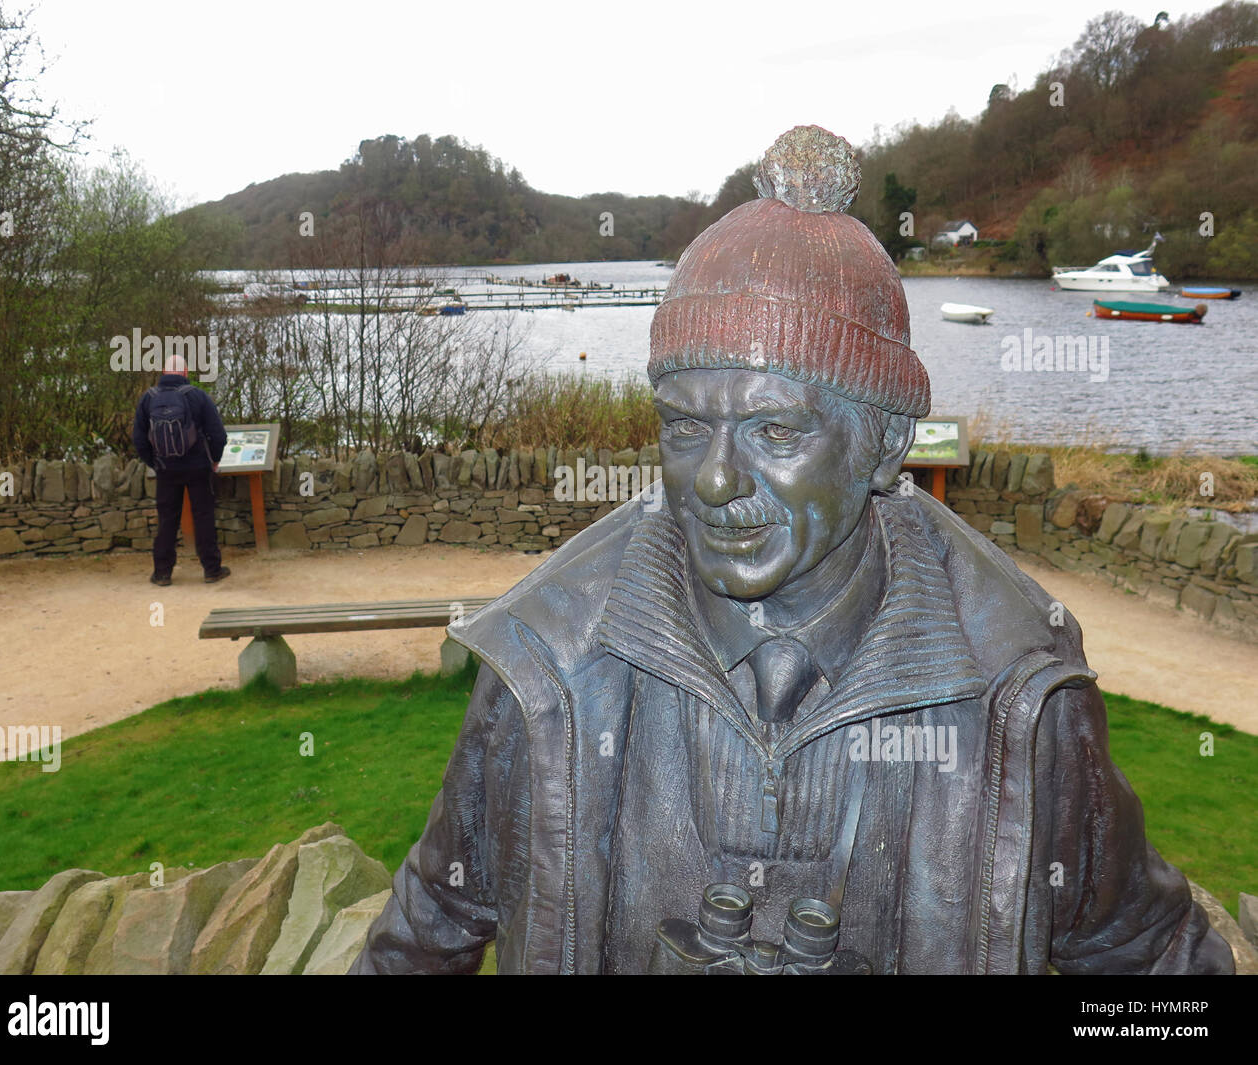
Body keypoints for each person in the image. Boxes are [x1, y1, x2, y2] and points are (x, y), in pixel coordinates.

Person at [351, 126, 1234, 975]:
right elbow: (432, 924)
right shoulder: (545, 670)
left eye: (775, 429)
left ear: (884, 445)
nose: (715, 479)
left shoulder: (1018, 700)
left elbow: (1148, 957)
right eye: (687, 426)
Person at [132, 353, 230, 586]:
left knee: (167, 519)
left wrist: (155, 462)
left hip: (166, 469)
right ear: (185, 373)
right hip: (198, 467)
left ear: (164, 373)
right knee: (203, 516)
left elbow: (138, 439)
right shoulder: (197, 396)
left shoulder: (148, 398)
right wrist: (214, 460)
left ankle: (162, 573)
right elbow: (219, 435)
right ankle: (212, 570)